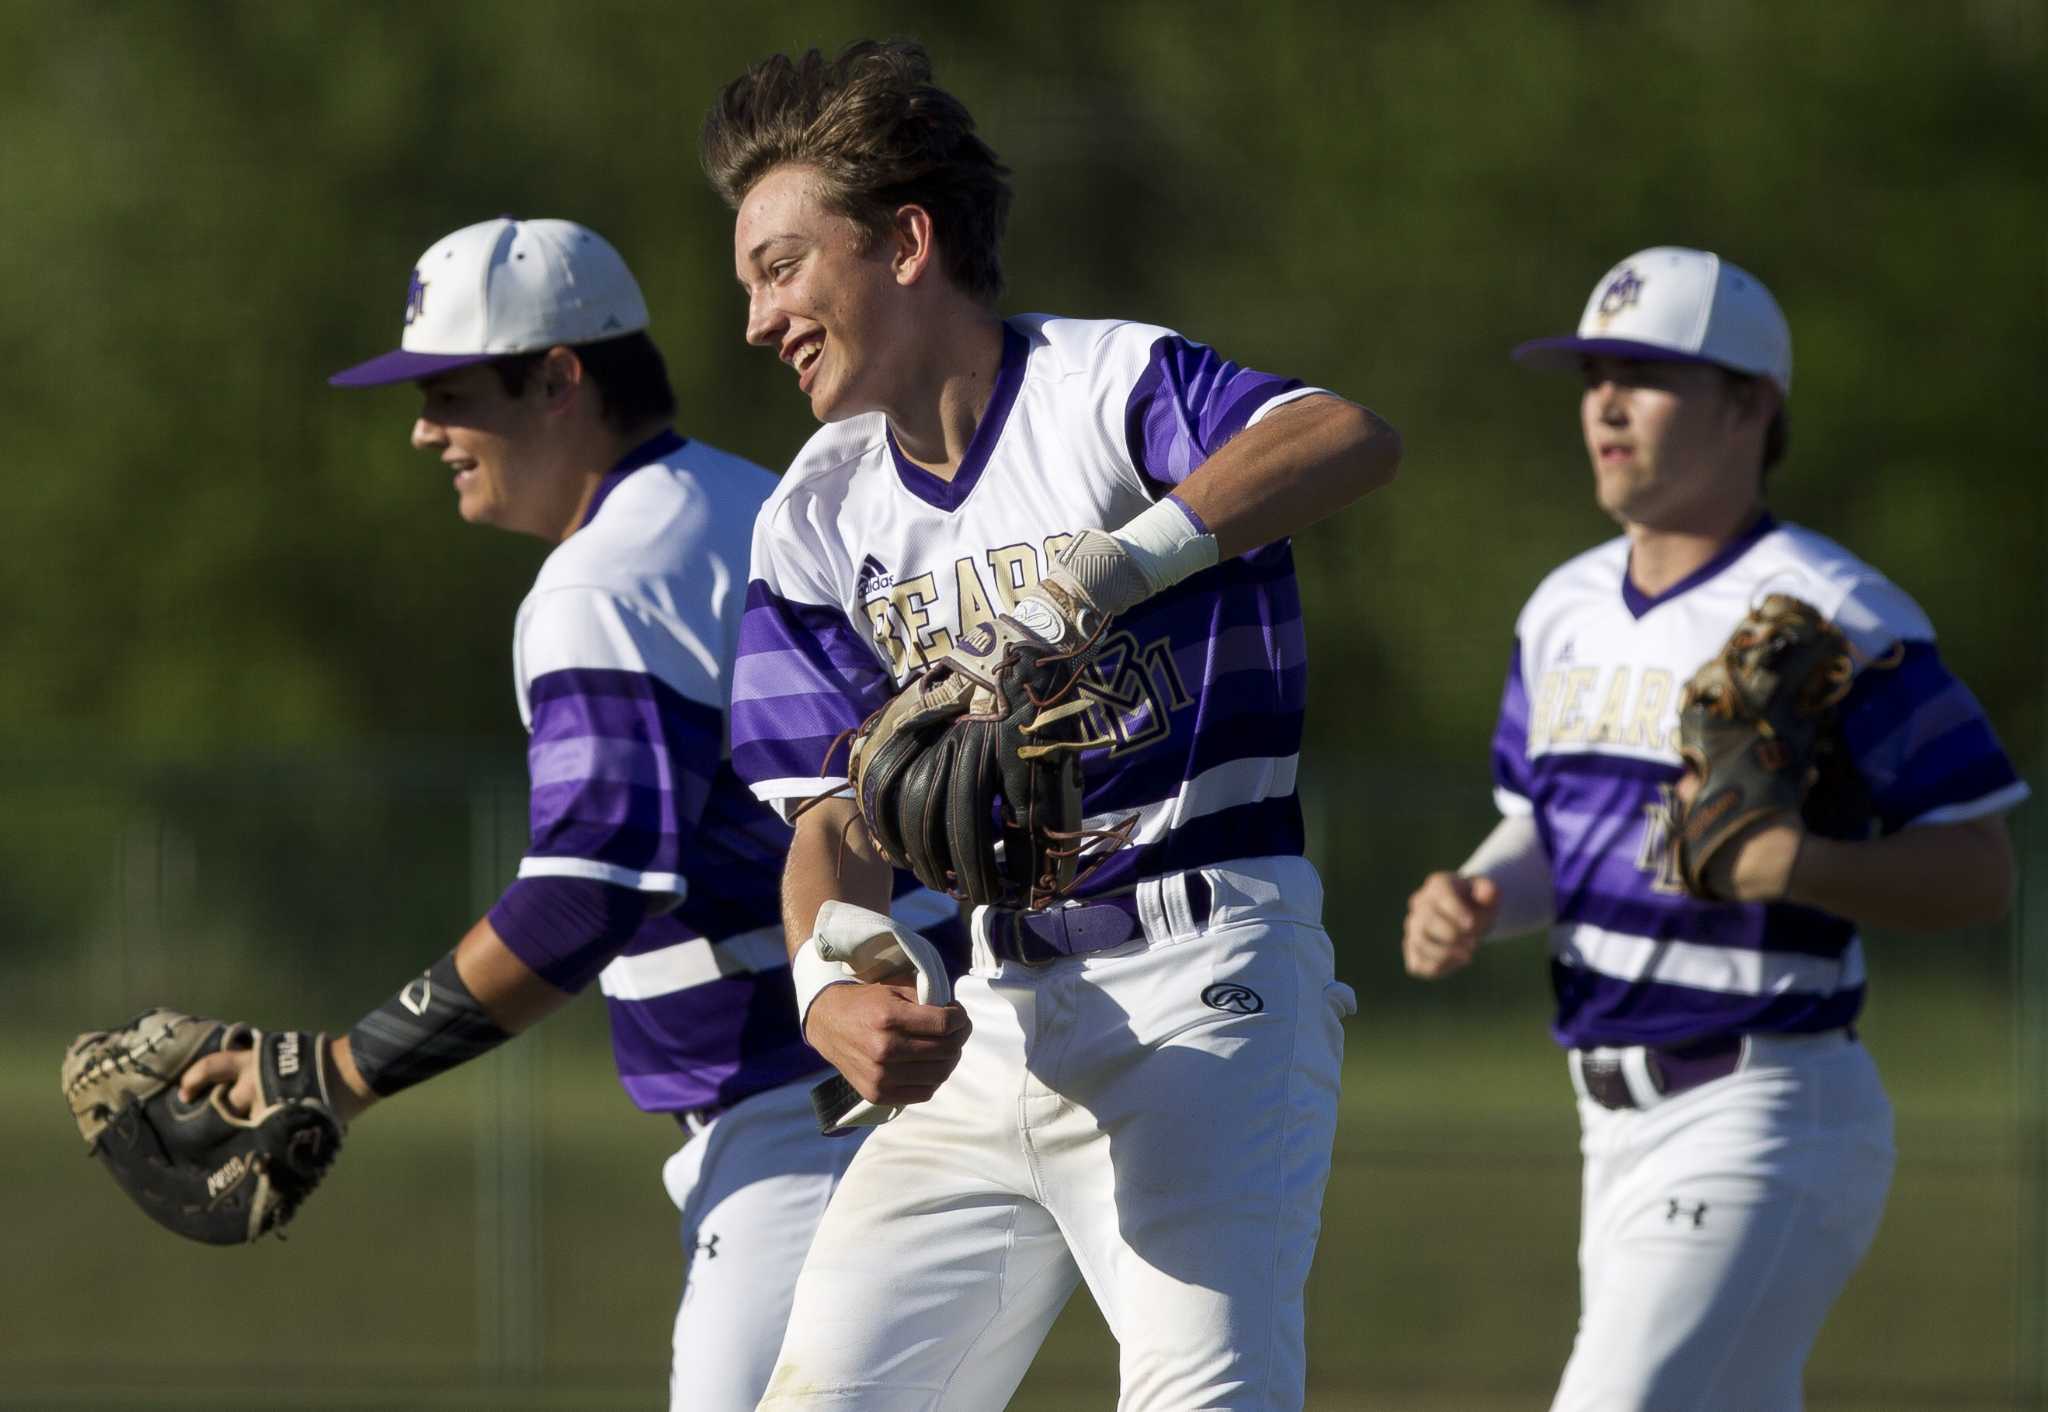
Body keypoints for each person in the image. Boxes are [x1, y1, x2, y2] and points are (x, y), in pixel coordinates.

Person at [700, 39, 1403, 1411]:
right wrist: (830, 977)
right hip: (989, 1013)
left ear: (906, 241)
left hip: (1205, 981)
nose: (756, 318)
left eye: (780, 266)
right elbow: (831, 817)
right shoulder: (816, 515)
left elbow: (1343, 436)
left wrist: (1118, 563)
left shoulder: (1103, 385)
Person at [174, 216, 961, 1411]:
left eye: (449, 392)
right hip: (925, 1047)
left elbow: (588, 890)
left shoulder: (604, 579)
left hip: (805, 1108)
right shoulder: (753, 497)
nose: (425, 429)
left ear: (558, 379)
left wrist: (340, 1068)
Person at [1401, 246, 2027, 1410]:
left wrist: (1804, 863)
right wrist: (1479, 893)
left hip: (1763, 1103)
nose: (1602, 401)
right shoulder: (1560, 608)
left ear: (1750, 402)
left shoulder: (1837, 612)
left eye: (1645, 372)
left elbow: (1979, 866)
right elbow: (1540, 832)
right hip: (1606, 1127)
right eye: (1592, 372)